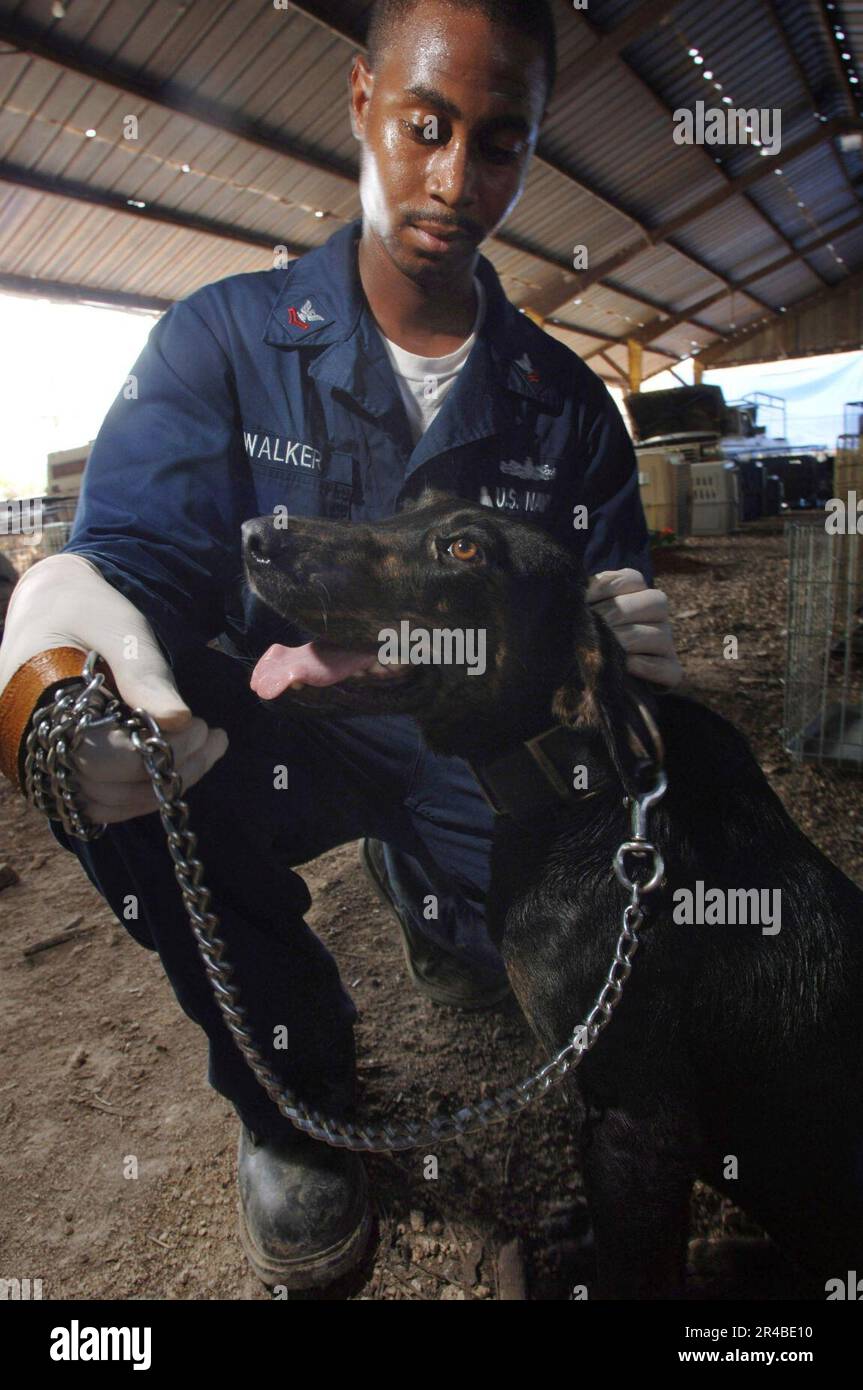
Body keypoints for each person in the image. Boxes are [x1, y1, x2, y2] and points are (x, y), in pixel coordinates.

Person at [0, 0, 681, 1290]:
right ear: (364, 99)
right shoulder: (221, 339)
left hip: (470, 748)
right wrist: (61, 625)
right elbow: (138, 553)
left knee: (562, 917)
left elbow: (600, 585)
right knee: (131, 773)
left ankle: (431, 896)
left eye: (497, 144)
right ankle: (291, 1103)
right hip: (282, 719)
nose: (452, 180)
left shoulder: (567, 405)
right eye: (425, 126)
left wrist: (627, 626)